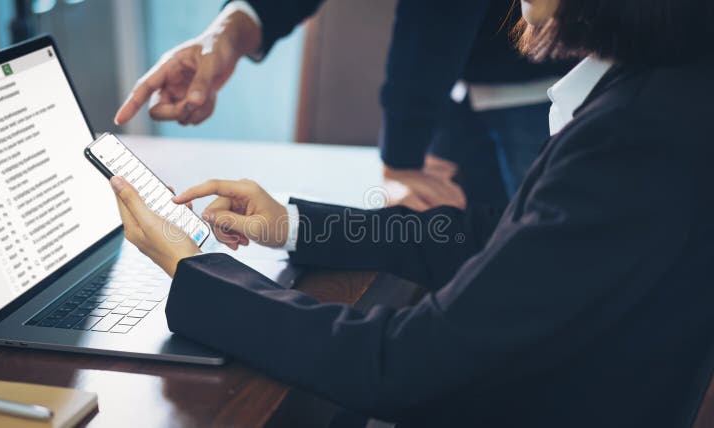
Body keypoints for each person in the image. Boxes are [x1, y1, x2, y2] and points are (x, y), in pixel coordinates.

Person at [109, 0, 714, 426]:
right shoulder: (653, 93)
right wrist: (296, 224)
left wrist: (197, 272)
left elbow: (403, 366)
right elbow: (496, 239)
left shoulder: (628, 139)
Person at [114, 0, 571, 212]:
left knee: (546, 283)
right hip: (456, 92)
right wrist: (230, 30)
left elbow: (437, 17)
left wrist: (401, 158)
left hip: (542, 86)